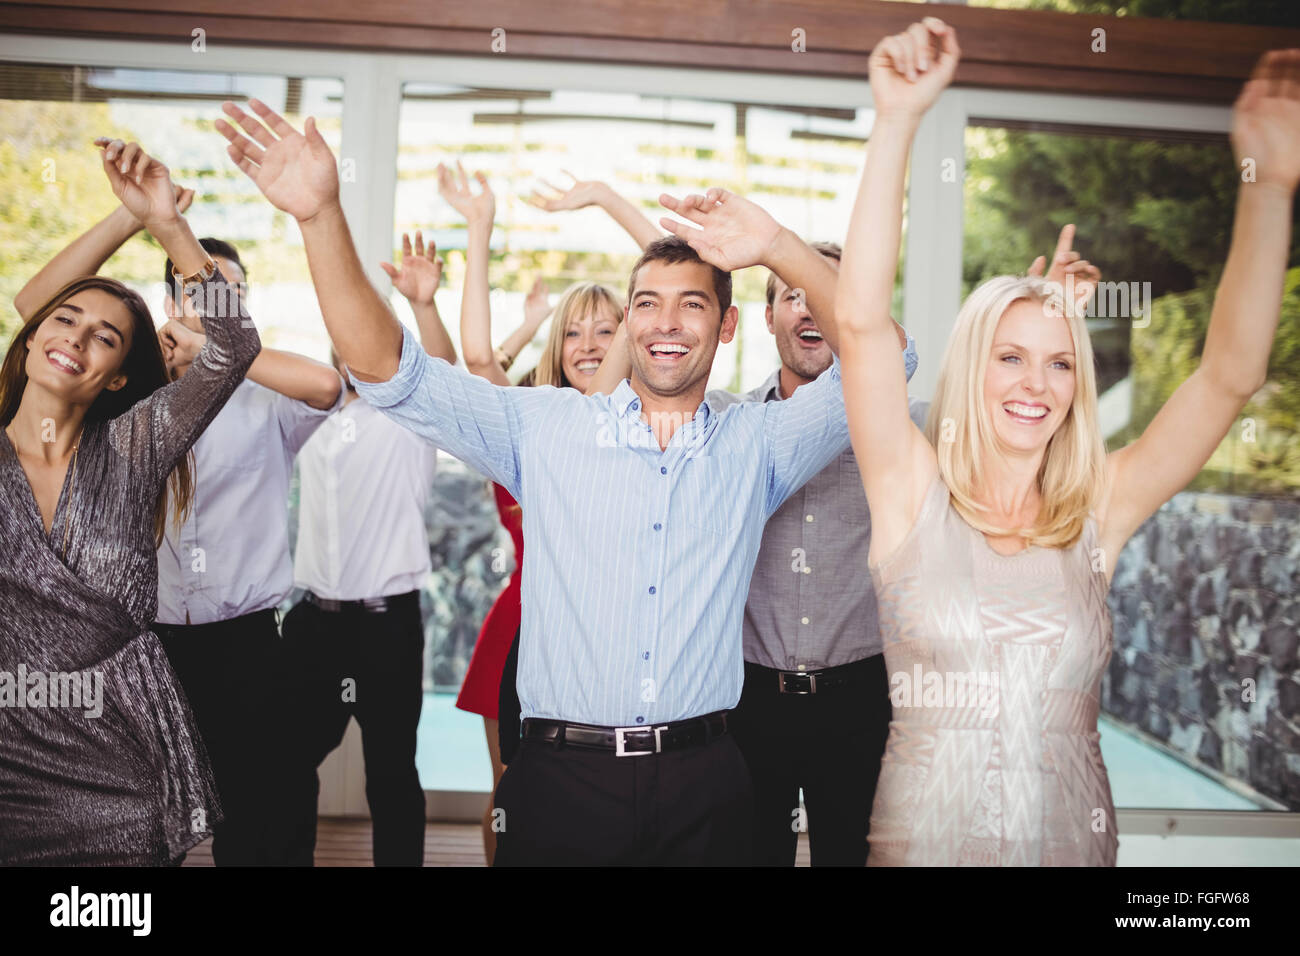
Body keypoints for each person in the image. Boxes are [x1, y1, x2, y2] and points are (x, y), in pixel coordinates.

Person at [213, 97, 912, 865]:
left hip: (709, 782)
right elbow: (388, 369)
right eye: (647, 303)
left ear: (728, 325)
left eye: (692, 306)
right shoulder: (542, 427)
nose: (667, 323)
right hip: (559, 782)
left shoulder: (761, 443)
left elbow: (886, 358)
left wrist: (777, 244)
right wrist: (320, 219)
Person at [833, 18, 1297, 866]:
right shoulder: (908, 492)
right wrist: (896, 121)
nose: (1034, 385)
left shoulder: (1100, 510)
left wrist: (1267, 184)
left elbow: (1228, 377)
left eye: (1058, 364)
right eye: (1010, 358)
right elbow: (860, 325)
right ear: (973, 368)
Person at [17, 141, 346, 866]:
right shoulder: (120, 393)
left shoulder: (266, 390)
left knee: (266, 824)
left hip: (249, 644)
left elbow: (329, 387)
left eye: (223, 292)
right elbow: (35, 309)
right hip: (146, 648)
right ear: (170, 300)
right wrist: (131, 217)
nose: (206, 301)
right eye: (194, 289)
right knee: (136, 830)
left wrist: (218, 345)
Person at [0, 138, 259, 864]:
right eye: (64, 320)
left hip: (122, 766)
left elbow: (232, 349)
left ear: (119, 376)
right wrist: (122, 218)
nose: (77, 339)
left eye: (105, 337)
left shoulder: (134, 446)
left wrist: (167, 225)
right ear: (30, 341)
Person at [437, 162, 630, 864]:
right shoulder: (529, 422)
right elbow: (480, 358)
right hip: (520, 626)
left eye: (605, 330)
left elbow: (675, 284)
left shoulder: (646, 429)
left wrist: (608, 196)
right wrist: (480, 226)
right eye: (573, 332)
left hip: (611, 635)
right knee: (513, 792)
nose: (587, 345)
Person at [278, 229, 455, 867]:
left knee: (389, 773)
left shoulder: (410, 417)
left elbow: (446, 376)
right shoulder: (314, 411)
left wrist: (425, 306)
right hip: (312, 621)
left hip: (386, 625)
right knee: (288, 762)